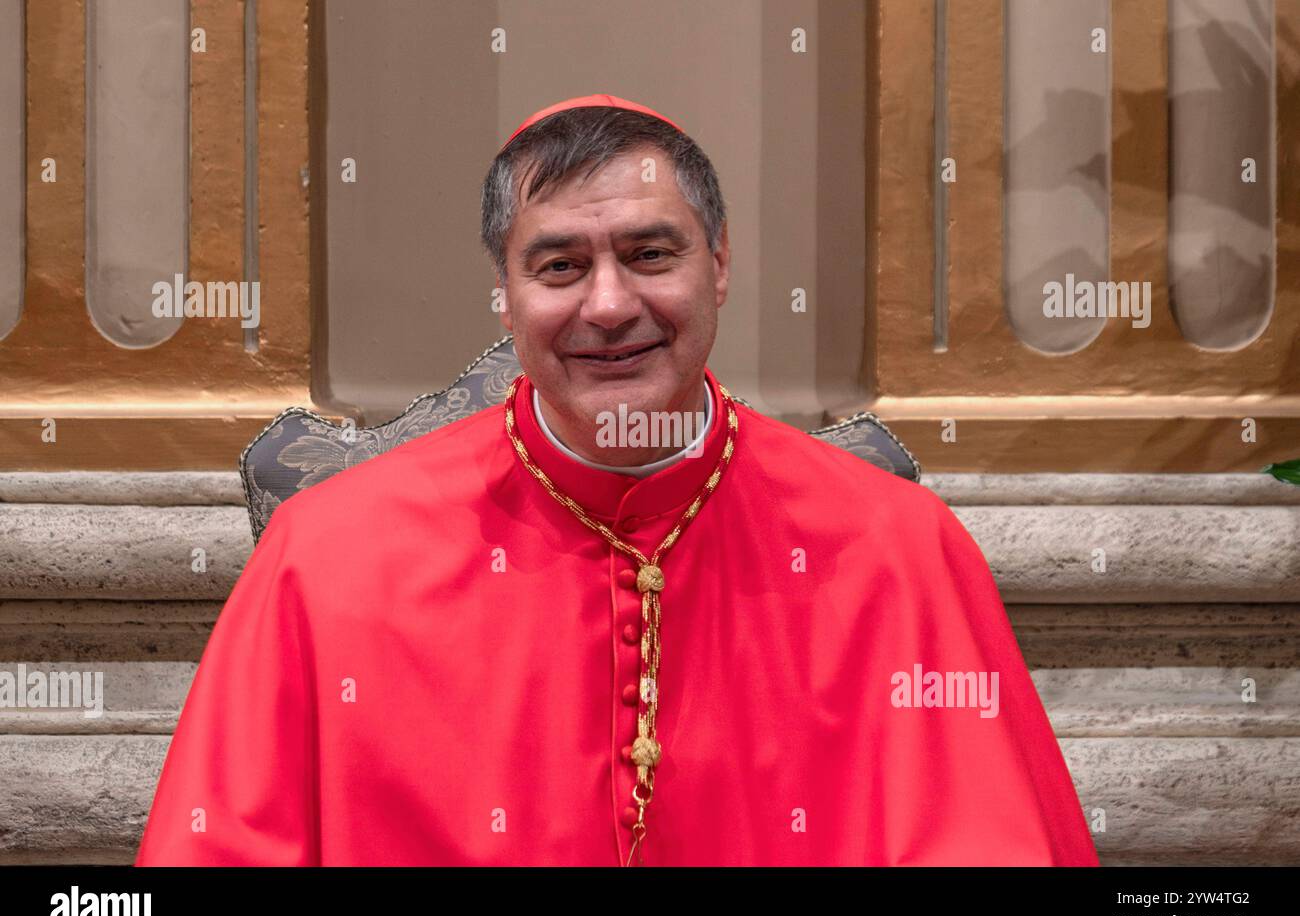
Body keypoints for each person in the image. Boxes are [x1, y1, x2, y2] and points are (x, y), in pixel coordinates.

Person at [135, 94, 1099, 866]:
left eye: (650, 255)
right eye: (559, 266)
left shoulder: (895, 547)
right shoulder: (329, 556)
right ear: (506, 296)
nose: (609, 304)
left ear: (718, 266)